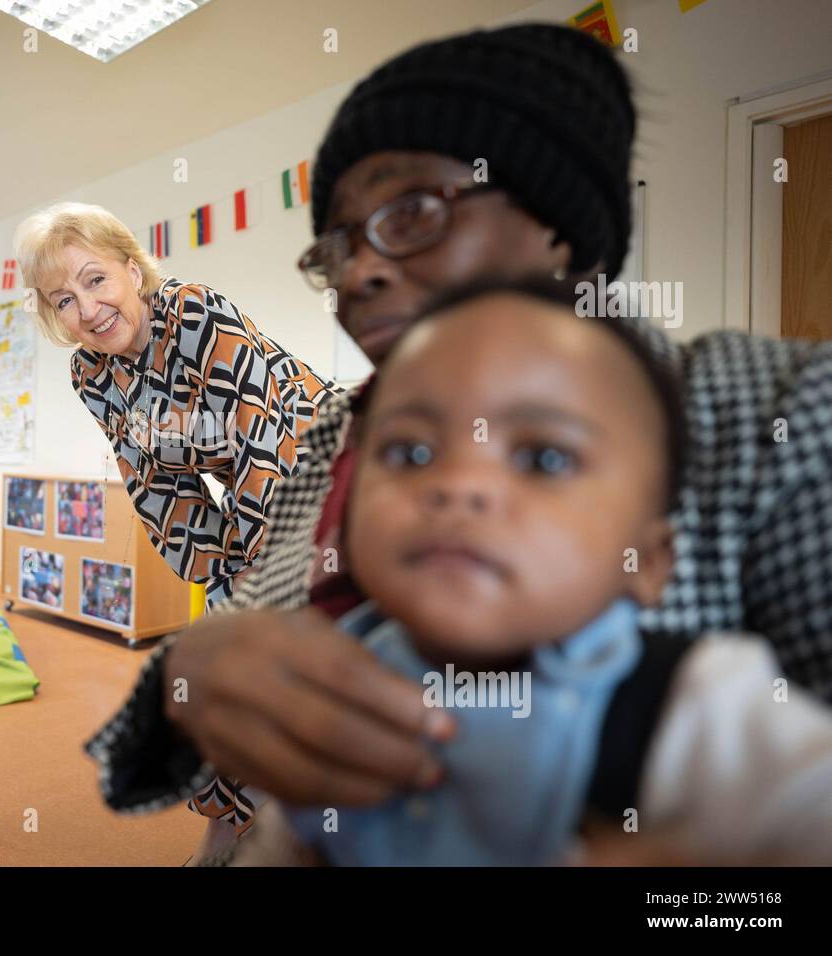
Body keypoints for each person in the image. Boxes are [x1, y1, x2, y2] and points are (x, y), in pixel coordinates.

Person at [85, 23, 832, 856]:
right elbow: (233, 645)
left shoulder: (776, 408)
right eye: (338, 246)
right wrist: (187, 682)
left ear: (560, 224)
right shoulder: (337, 433)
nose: (359, 274)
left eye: (410, 214)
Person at [237, 279, 832, 866]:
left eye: (544, 459)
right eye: (410, 452)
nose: (459, 485)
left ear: (647, 563)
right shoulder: (334, 678)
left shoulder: (702, 703)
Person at [14, 202, 339, 608]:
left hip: (334, 467)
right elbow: (153, 485)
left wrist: (267, 570)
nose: (88, 310)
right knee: (227, 621)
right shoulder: (91, 373)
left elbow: (260, 441)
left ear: (133, 272)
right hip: (254, 498)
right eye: (64, 300)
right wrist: (224, 567)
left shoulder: (193, 312)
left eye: (95, 280)